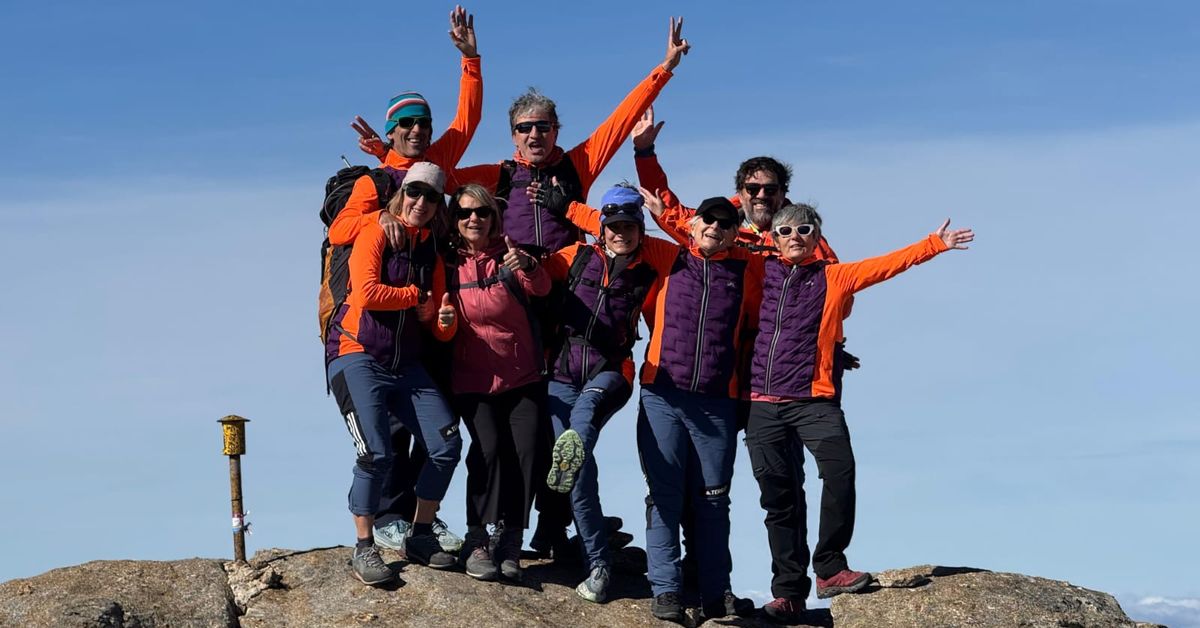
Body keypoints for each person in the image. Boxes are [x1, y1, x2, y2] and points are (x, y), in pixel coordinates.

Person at [746, 204, 973, 623]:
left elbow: (885, 267)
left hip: (815, 401)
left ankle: (830, 568)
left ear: (817, 238)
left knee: (840, 474)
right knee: (779, 501)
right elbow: (703, 241)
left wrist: (933, 244)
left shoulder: (836, 276)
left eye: (804, 229)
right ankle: (788, 593)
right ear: (773, 238)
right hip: (763, 404)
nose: (794, 235)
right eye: (785, 230)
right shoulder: (758, 271)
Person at [563, 192, 762, 622]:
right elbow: (617, 226)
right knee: (664, 497)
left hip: (717, 404)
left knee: (713, 502)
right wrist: (568, 205)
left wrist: (832, 346)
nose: (715, 228)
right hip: (662, 396)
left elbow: (785, 307)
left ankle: (715, 592)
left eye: (726, 224)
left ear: (735, 233)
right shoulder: (666, 254)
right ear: (691, 223)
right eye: (707, 219)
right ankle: (667, 589)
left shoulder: (749, 270)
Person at [332, 5, 482, 556]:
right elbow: (343, 231)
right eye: (407, 126)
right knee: (385, 434)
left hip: (424, 315)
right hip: (371, 326)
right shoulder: (376, 182)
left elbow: (466, 122)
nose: (418, 132)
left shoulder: (437, 161)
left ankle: (419, 521)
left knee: (435, 425)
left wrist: (469, 58)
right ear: (393, 131)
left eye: (422, 123)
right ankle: (385, 522)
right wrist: (383, 217)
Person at [325, 162, 464, 585]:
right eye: (414, 192)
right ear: (400, 195)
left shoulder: (432, 253)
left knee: (446, 444)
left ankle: (420, 533)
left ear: (439, 206)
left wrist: (441, 317)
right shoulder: (376, 232)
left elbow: (438, 324)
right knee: (376, 453)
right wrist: (413, 296)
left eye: (431, 197)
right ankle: (364, 547)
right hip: (357, 353)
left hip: (406, 364)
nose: (421, 202)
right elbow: (365, 292)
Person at [536, 185, 662, 603]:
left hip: (611, 370)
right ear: (601, 230)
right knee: (579, 473)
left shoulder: (649, 271)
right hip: (560, 372)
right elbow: (537, 279)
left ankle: (573, 448)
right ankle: (599, 565)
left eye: (629, 225)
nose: (621, 232)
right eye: (613, 226)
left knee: (584, 418)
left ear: (640, 229)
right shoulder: (577, 257)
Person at [440, 184, 551, 583]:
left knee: (526, 454)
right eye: (465, 212)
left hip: (523, 376)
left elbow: (542, 290)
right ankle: (477, 537)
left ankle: (510, 538)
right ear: (454, 220)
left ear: (494, 218)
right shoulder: (447, 265)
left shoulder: (508, 256)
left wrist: (529, 266)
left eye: (482, 212)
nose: (474, 219)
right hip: (473, 380)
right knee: (487, 452)